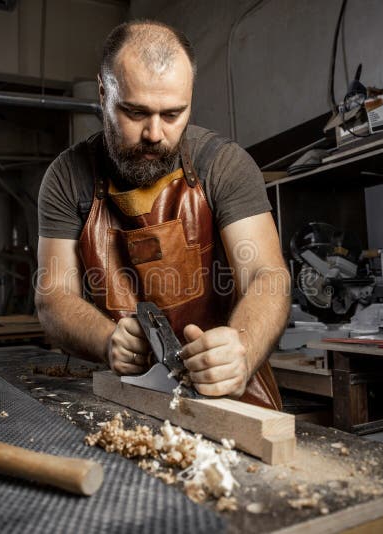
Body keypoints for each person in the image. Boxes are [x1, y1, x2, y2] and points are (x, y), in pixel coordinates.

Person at [35, 20, 290, 410]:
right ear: (104, 93)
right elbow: (54, 295)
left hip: (227, 398)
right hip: (128, 397)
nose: (155, 133)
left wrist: (244, 345)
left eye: (173, 114)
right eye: (135, 113)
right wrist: (106, 339)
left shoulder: (224, 165)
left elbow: (267, 275)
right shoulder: (68, 176)